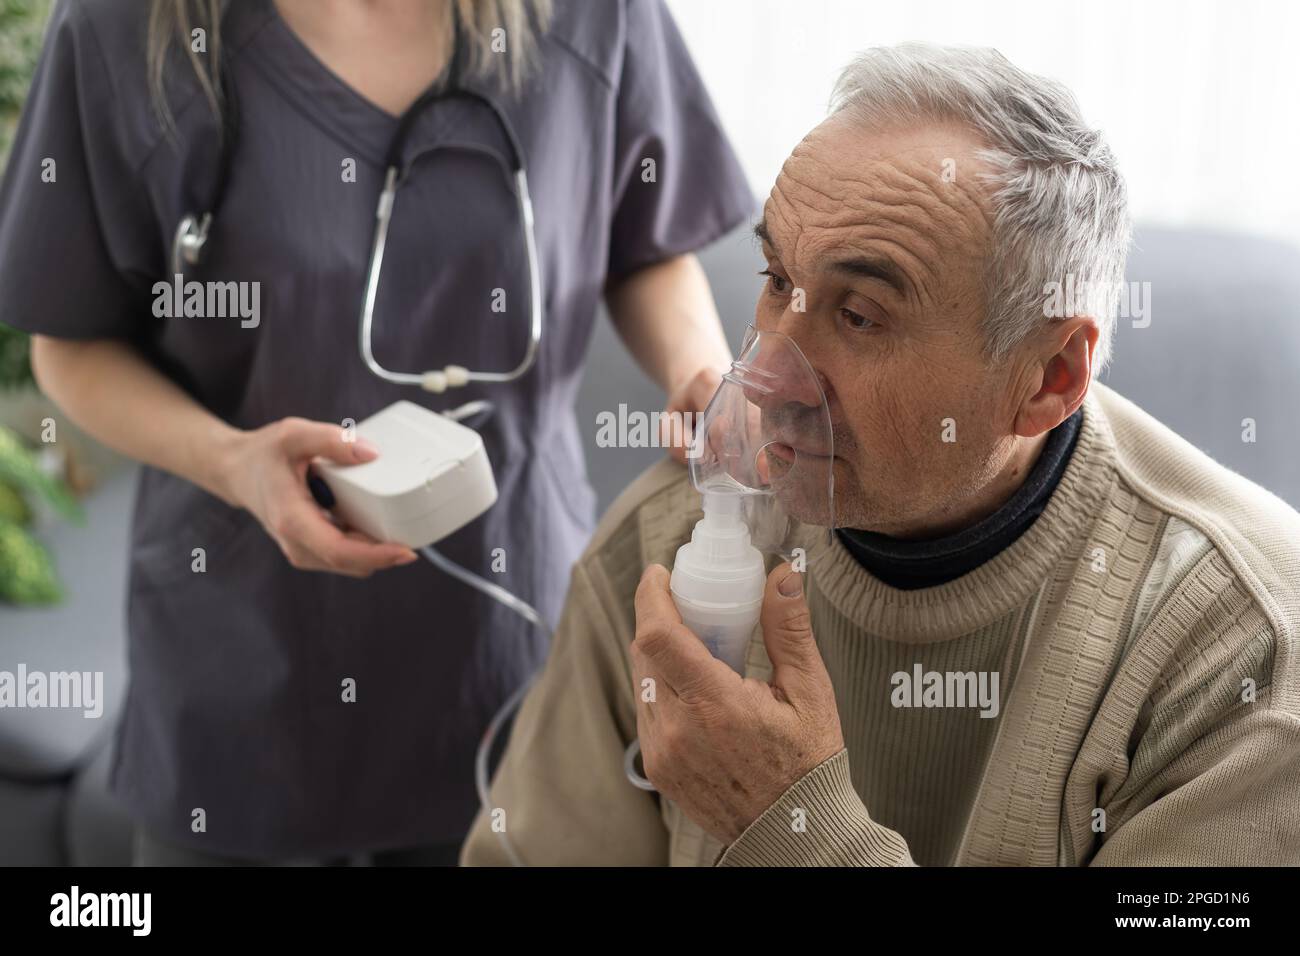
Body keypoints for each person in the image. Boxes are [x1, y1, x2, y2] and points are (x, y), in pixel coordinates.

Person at [461, 43, 1300, 867]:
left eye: (859, 315)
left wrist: (794, 829)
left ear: (1048, 376)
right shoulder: (662, 549)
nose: (766, 379)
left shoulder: (1239, 648)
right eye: (777, 279)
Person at [0, 0, 753, 865]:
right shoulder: (121, 32)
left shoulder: (592, 17)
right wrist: (233, 462)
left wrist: (697, 369)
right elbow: (69, 341)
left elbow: (645, 241)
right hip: (241, 682)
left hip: (509, 654)